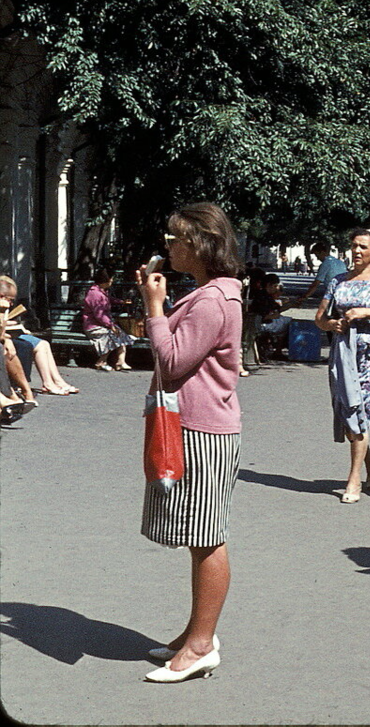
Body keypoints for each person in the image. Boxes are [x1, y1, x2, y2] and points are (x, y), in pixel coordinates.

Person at [136, 202, 244, 683]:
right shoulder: (210, 294)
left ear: (199, 243)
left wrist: (155, 309)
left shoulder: (211, 300)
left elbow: (174, 361)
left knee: (207, 538)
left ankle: (201, 645)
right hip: (198, 426)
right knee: (200, 536)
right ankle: (196, 633)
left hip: (202, 430)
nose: (169, 245)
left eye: (176, 237)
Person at [315, 229, 370, 504]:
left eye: (363, 247)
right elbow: (319, 317)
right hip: (344, 353)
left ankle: (353, 480)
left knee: (359, 411)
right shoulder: (338, 281)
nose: (356, 251)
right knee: (347, 414)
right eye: (353, 245)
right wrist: (332, 324)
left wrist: (369, 313)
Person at [0, 276, 79, 395]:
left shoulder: (4, 308)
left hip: (11, 333)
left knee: (44, 343)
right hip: (8, 335)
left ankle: (57, 380)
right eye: (10, 299)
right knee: (38, 346)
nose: (11, 304)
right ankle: (48, 383)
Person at [81, 268, 135, 371]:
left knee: (120, 334)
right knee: (111, 335)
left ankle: (121, 361)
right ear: (105, 280)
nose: (112, 281)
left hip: (101, 324)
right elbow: (99, 315)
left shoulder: (100, 292)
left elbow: (108, 299)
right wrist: (111, 325)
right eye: (111, 279)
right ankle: (101, 362)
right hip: (93, 326)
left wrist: (121, 302)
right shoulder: (95, 294)